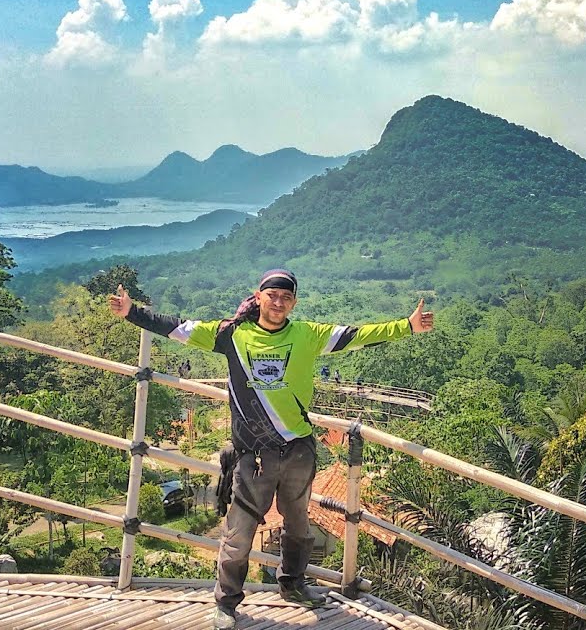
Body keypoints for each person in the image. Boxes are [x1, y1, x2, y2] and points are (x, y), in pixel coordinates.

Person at [109, 269, 432, 629]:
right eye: (273, 295)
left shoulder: (308, 335)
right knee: (238, 534)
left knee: (299, 526)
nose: (279, 302)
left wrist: (408, 326)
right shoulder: (231, 334)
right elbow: (176, 327)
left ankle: (293, 585)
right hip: (253, 456)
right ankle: (226, 603)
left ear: (294, 302)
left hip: (297, 450)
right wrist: (131, 312)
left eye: (286, 297)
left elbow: (359, 336)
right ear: (259, 296)